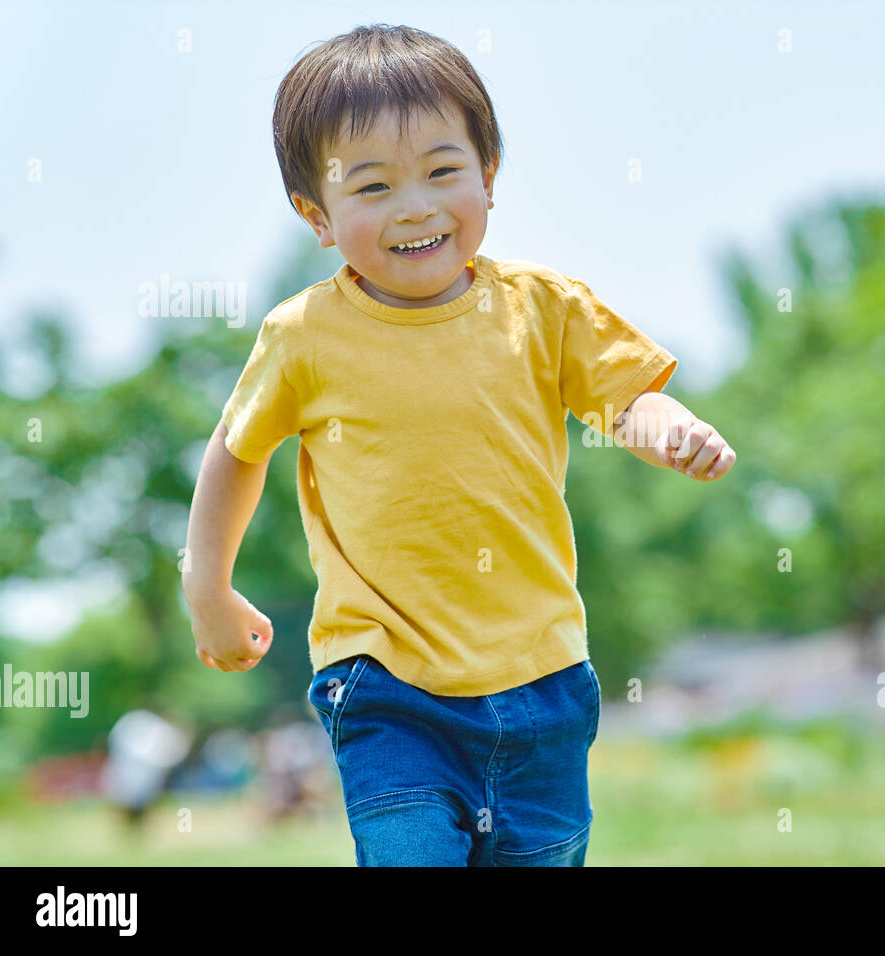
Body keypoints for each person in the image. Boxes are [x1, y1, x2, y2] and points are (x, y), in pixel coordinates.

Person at [182, 24, 736, 866]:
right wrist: (208, 587)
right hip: (384, 680)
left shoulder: (541, 309)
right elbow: (237, 449)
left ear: (489, 176)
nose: (415, 206)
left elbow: (627, 397)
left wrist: (671, 430)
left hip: (542, 678)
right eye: (371, 186)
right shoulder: (305, 337)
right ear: (318, 216)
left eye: (443, 171)